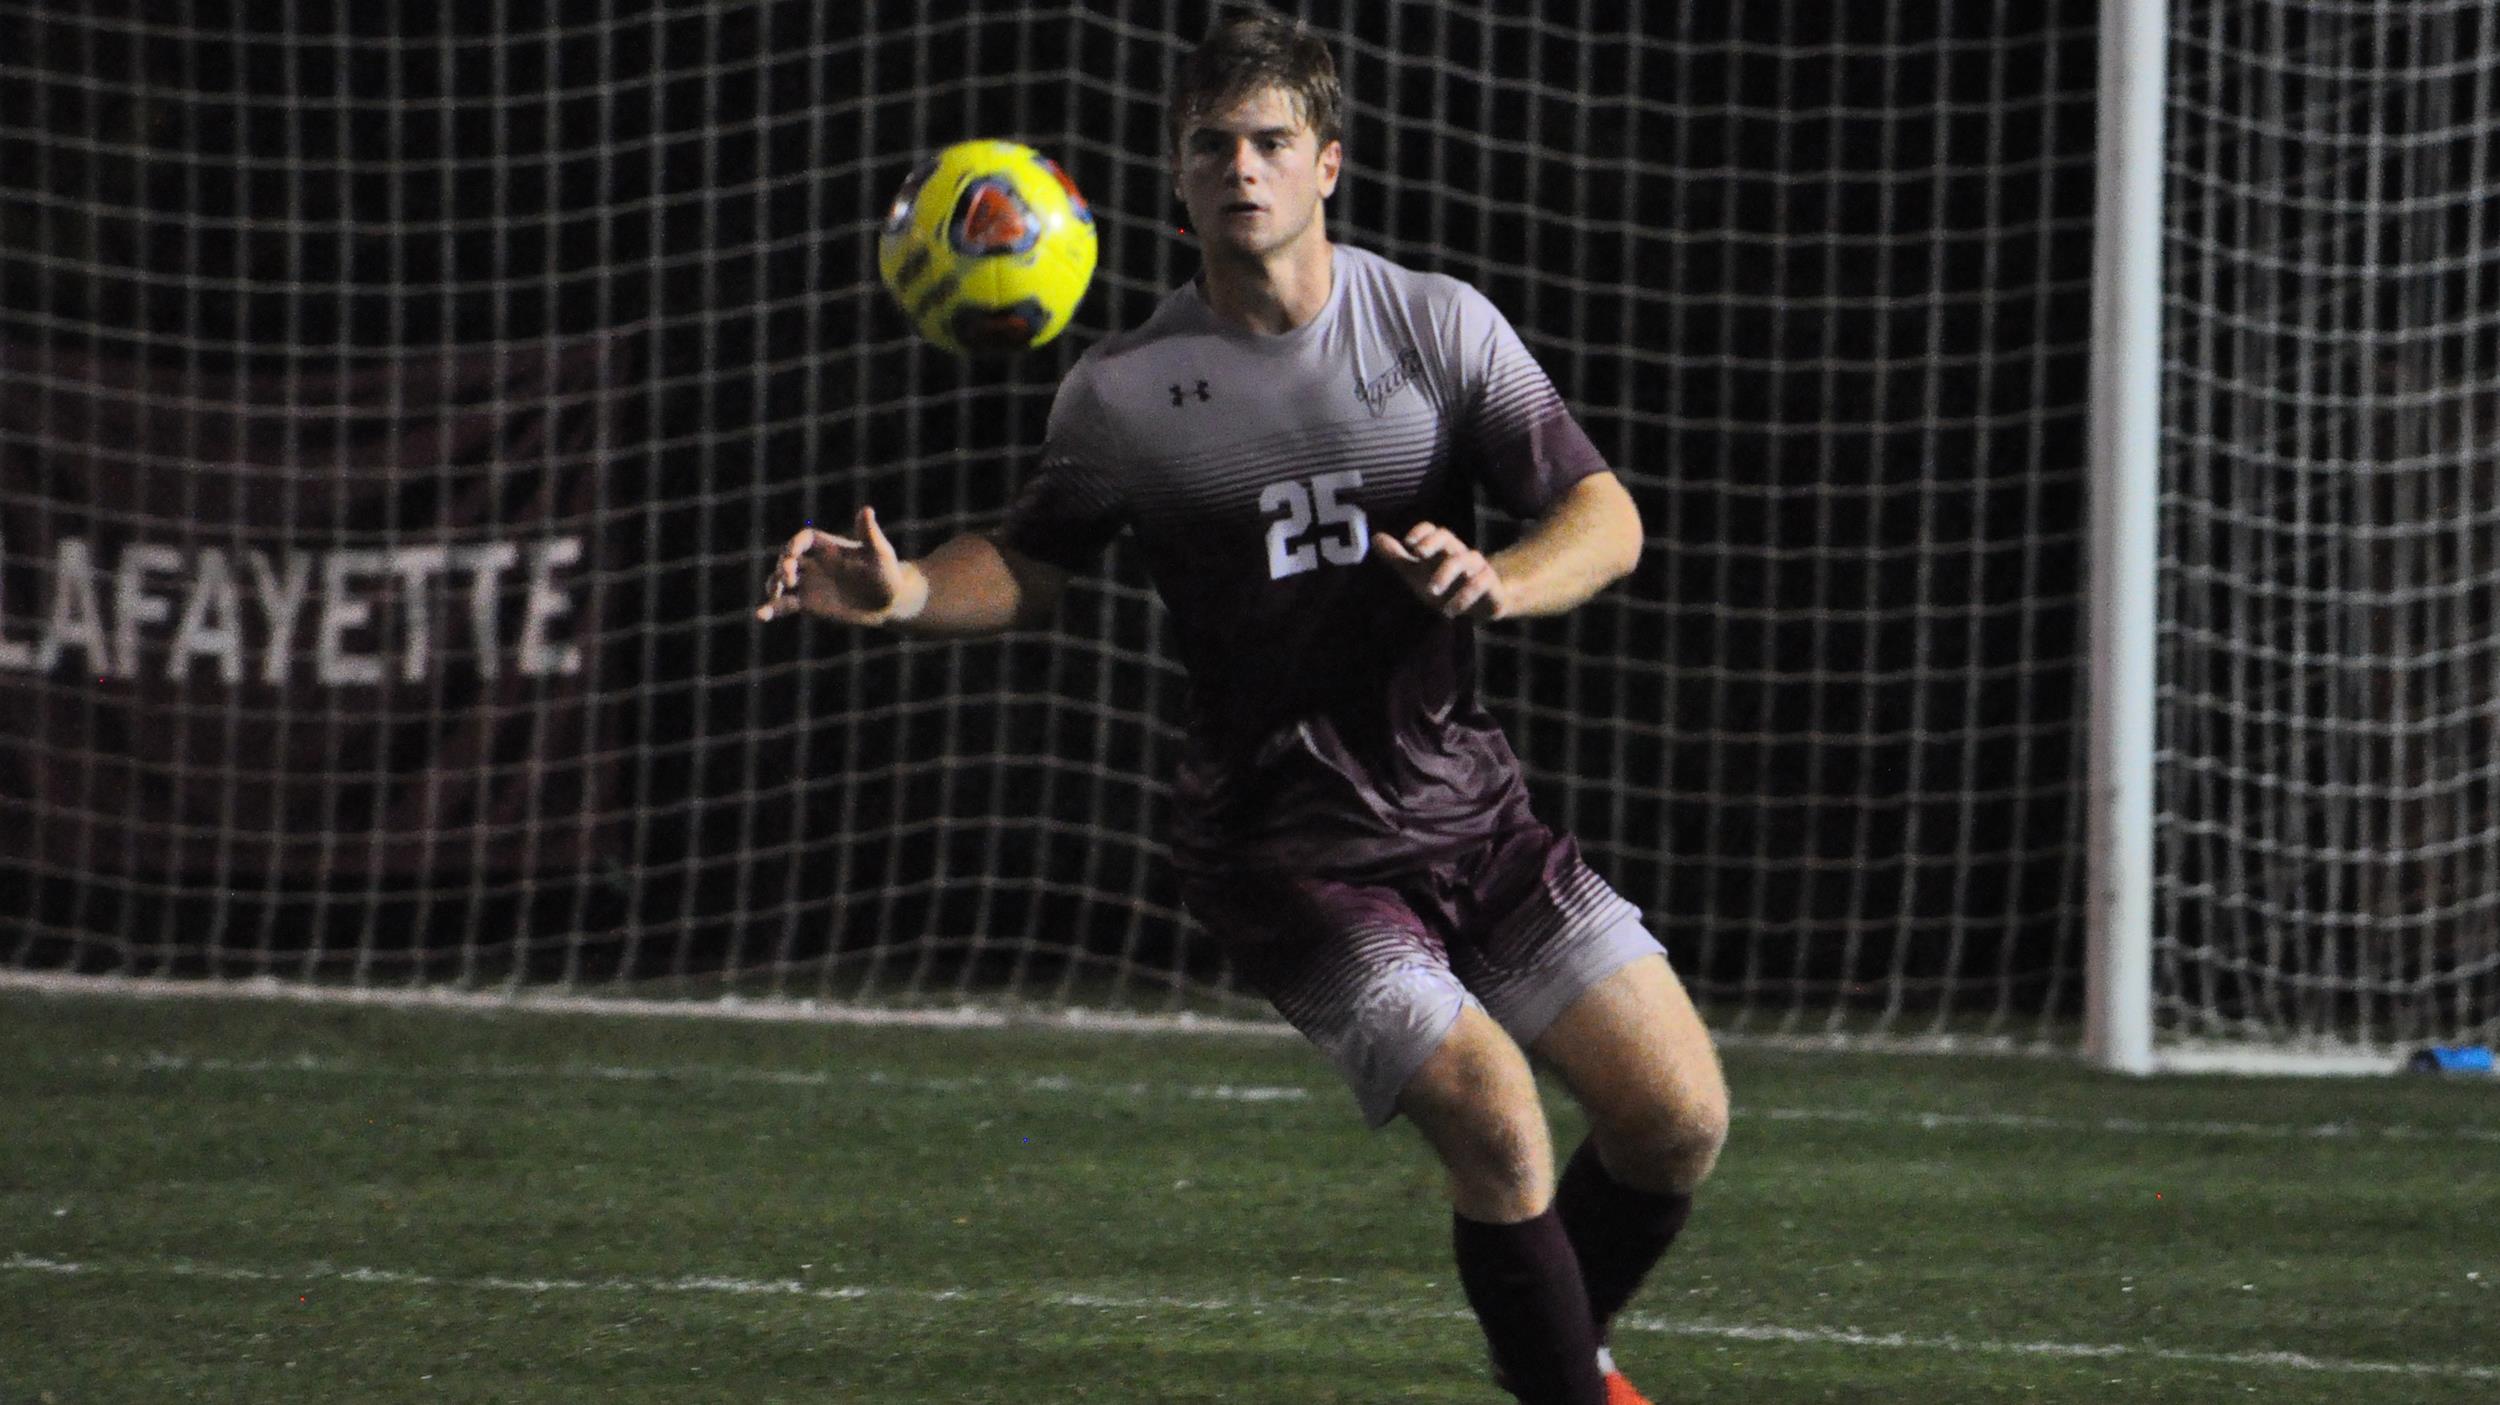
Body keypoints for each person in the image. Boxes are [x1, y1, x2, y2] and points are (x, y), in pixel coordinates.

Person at [758, 12, 1728, 1404]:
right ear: (1174, 174)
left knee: (1677, 1117)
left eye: (1271, 141)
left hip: (1469, 808)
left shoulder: (1437, 327)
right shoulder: (1129, 394)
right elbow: (1033, 564)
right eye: (1212, 144)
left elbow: (1605, 514)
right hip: (1286, 845)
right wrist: (909, 591)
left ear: (1328, 162)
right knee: (1498, 1119)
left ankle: (1561, 1353)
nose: (1242, 168)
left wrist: (1502, 578)